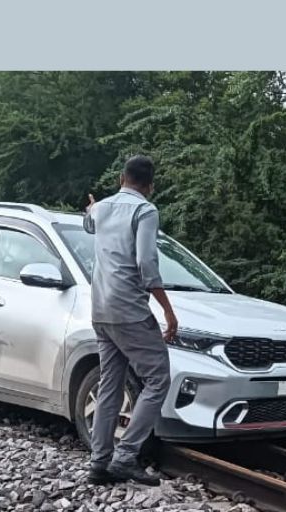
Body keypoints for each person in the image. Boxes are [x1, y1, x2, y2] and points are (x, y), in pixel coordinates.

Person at [81, 155, 179, 486]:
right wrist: (167, 309)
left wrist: (92, 207)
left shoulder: (102, 208)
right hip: (129, 310)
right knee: (158, 379)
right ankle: (125, 457)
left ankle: (99, 462)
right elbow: (146, 263)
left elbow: (90, 221)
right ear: (150, 186)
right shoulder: (145, 211)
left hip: (100, 310)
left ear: (122, 178)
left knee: (110, 382)